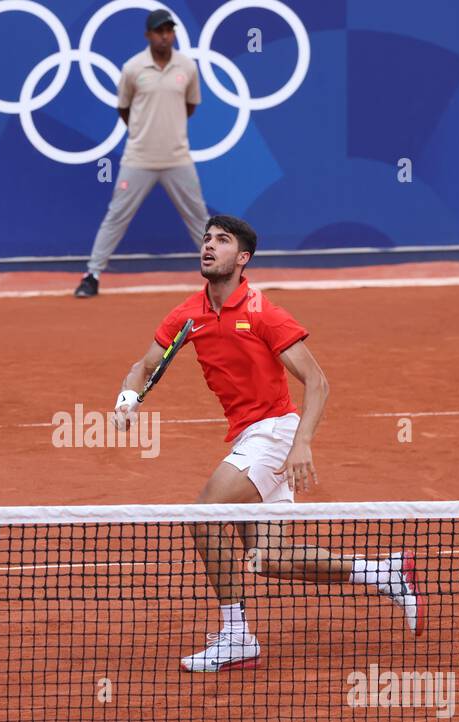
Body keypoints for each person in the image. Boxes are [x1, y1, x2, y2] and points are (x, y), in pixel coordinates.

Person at [113, 215, 421, 672]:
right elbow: (143, 364)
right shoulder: (188, 315)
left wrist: (302, 444)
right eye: (206, 239)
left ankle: (236, 635)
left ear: (243, 259)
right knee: (267, 558)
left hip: (274, 433)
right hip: (247, 434)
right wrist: (127, 397)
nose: (209, 246)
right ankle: (382, 573)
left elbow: (317, 381)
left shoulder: (263, 312)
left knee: (205, 516)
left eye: (222, 241)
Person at [74, 8, 209, 298]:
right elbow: (124, 107)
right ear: (148, 35)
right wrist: (144, 132)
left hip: (177, 158)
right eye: (159, 31)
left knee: (200, 219)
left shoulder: (187, 67)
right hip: (138, 158)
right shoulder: (133, 68)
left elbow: (190, 106)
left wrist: (168, 131)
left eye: (169, 31)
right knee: (116, 216)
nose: (165, 36)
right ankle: (92, 275)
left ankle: (222, 277)